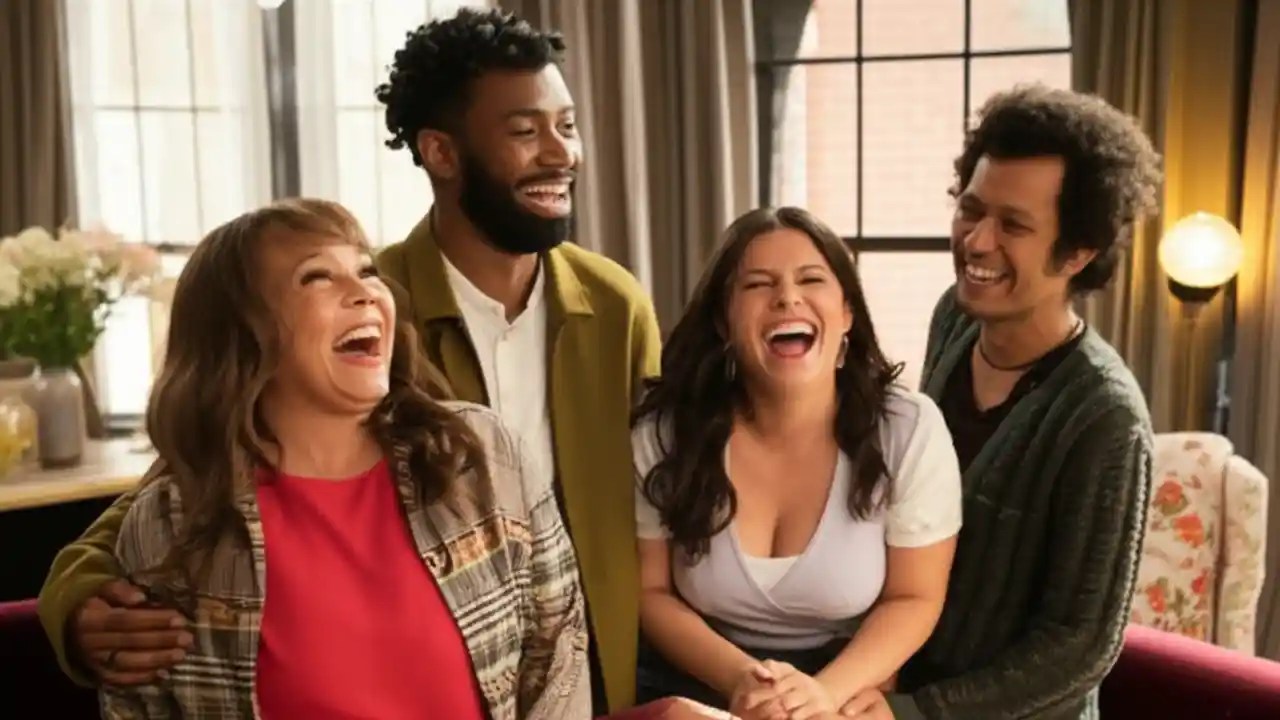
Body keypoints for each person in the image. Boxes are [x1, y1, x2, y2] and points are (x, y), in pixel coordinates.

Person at [39, 9, 659, 714]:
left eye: (567, 126)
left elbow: (665, 491)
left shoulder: (615, 306)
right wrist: (76, 599)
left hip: (585, 680)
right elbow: (188, 486)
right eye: (525, 131)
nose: (561, 154)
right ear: (441, 153)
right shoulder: (369, 308)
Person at [95, 198, 589, 719]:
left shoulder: (480, 455)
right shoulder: (169, 522)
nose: (365, 295)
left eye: (367, 271)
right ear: (243, 333)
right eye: (317, 279)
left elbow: (561, 658)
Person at [880, 85, 1162, 719]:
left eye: (1013, 225)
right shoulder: (952, 319)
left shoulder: (1107, 419)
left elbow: (1079, 646)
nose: (977, 242)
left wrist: (919, 712)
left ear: (1078, 253)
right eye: (971, 210)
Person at [631, 207, 962, 720]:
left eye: (811, 279)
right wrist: (747, 682)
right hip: (698, 675)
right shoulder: (664, 432)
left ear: (847, 312)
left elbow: (914, 597)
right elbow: (651, 593)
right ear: (723, 320)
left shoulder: (908, 428)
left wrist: (821, 695)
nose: (787, 297)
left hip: (849, 679)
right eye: (758, 284)